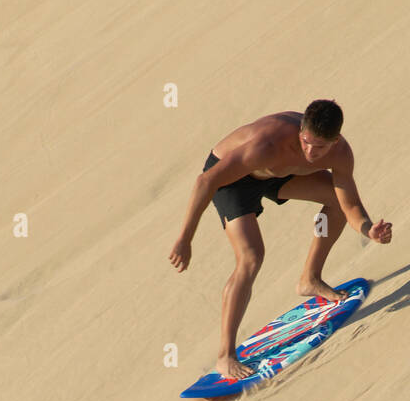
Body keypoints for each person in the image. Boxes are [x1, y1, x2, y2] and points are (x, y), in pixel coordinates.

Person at [168, 100, 392, 379]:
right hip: (232, 180)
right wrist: (185, 238)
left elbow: (349, 203)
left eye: (320, 146)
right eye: (306, 141)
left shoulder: (341, 154)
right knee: (251, 258)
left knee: (334, 203)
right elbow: (205, 182)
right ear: (301, 130)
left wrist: (368, 229)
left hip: (277, 174)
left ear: (334, 141)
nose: (311, 151)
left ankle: (310, 278)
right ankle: (225, 355)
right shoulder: (267, 144)